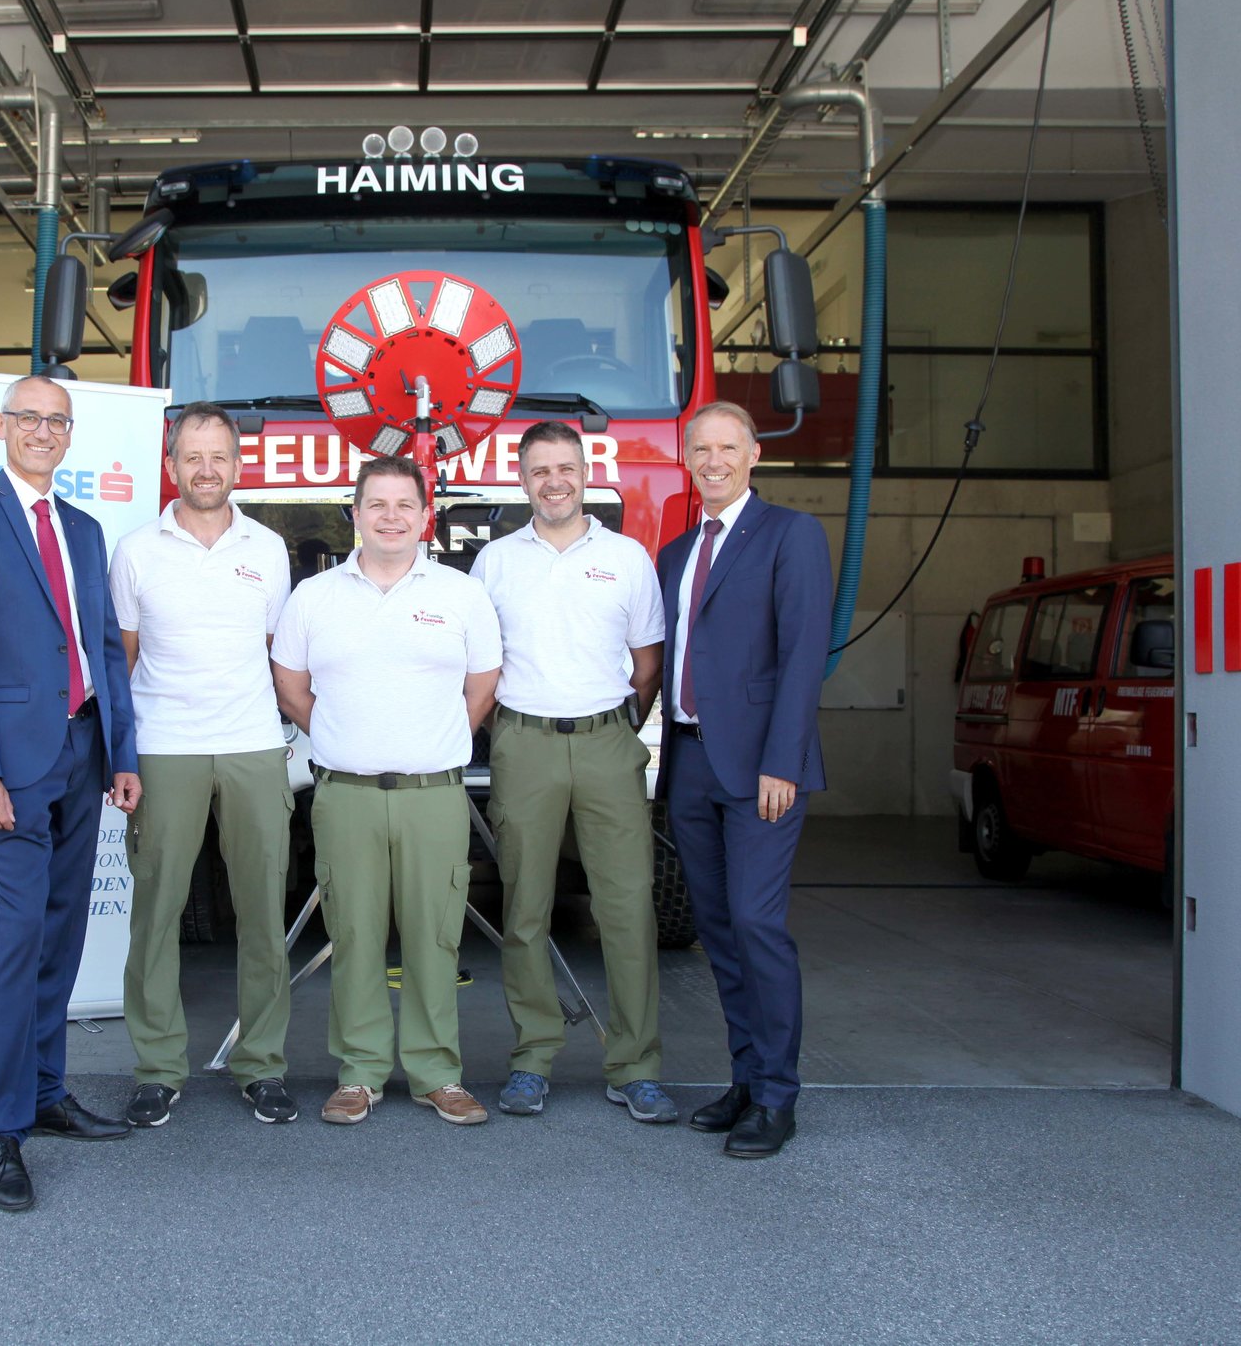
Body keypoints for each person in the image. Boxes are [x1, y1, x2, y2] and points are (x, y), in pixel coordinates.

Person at [0, 374, 142, 1212]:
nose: (43, 431)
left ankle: (48, 1093)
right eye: (29, 418)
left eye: (56, 421)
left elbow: (103, 653)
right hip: (10, 766)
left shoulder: (84, 530)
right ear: (2, 426)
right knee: (17, 935)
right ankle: (1, 1128)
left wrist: (120, 751)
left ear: (69, 433)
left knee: (59, 932)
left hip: (83, 753)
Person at [271, 456, 502, 1126]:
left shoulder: (460, 594)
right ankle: (360, 1071)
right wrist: (340, 733)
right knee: (355, 932)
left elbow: (483, 684)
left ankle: (437, 1071)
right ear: (355, 513)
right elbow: (290, 683)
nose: (392, 516)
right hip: (346, 794)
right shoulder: (314, 597)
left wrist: (434, 739)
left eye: (405, 504)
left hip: (435, 794)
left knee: (436, 935)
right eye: (377, 504)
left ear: (425, 514)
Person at [471, 420, 673, 1123]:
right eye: (539, 470)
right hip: (523, 743)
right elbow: (478, 664)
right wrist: (510, 732)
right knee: (525, 908)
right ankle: (532, 1057)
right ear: (521, 479)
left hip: (606, 742)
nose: (554, 481)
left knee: (627, 907)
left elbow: (648, 664)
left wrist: (615, 726)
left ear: (584, 472)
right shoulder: (494, 562)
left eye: (566, 467)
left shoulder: (627, 559)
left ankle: (635, 1064)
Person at [111, 402, 298, 1128]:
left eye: (219, 456)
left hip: (253, 743)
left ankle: (263, 1065)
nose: (207, 469)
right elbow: (119, 660)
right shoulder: (135, 550)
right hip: (164, 745)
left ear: (238, 465)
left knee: (262, 911)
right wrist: (119, 753)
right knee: (156, 914)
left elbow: (282, 654)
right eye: (193, 456)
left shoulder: (270, 548)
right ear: (172, 465)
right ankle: (158, 1068)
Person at [654, 400, 831, 1159]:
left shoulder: (791, 534)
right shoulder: (675, 552)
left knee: (758, 925)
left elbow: (802, 656)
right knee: (720, 931)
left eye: (728, 447)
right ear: (687, 458)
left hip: (761, 768)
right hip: (691, 761)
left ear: (754, 454)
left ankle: (780, 1096)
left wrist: (781, 762)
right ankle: (746, 1080)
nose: (714, 460)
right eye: (701, 449)